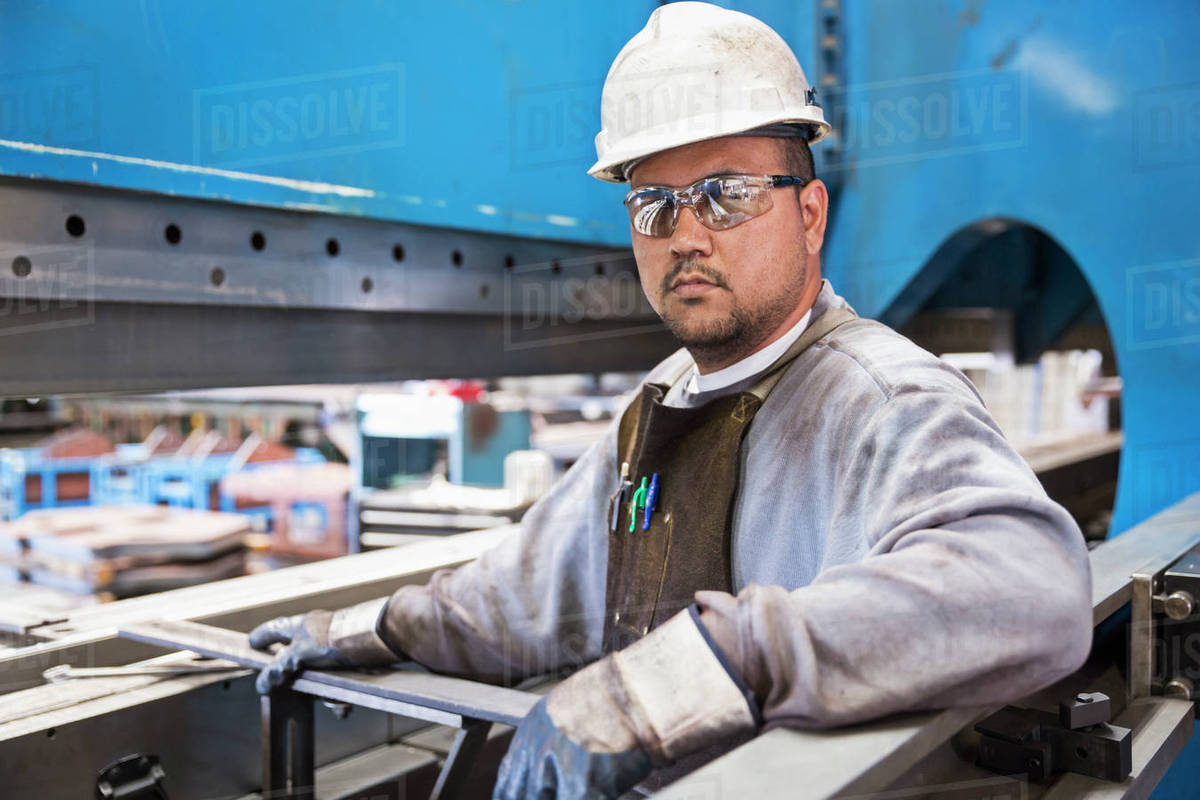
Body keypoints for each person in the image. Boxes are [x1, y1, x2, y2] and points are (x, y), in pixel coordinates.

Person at [248, 4, 1093, 798]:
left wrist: (713, 663)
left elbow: (1031, 590)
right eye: (654, 204)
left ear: (809, 213)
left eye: (726, 192)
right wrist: (369, 628)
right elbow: (529, 589)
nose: (686, 234)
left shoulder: (877, 396)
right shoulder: (663, 403)